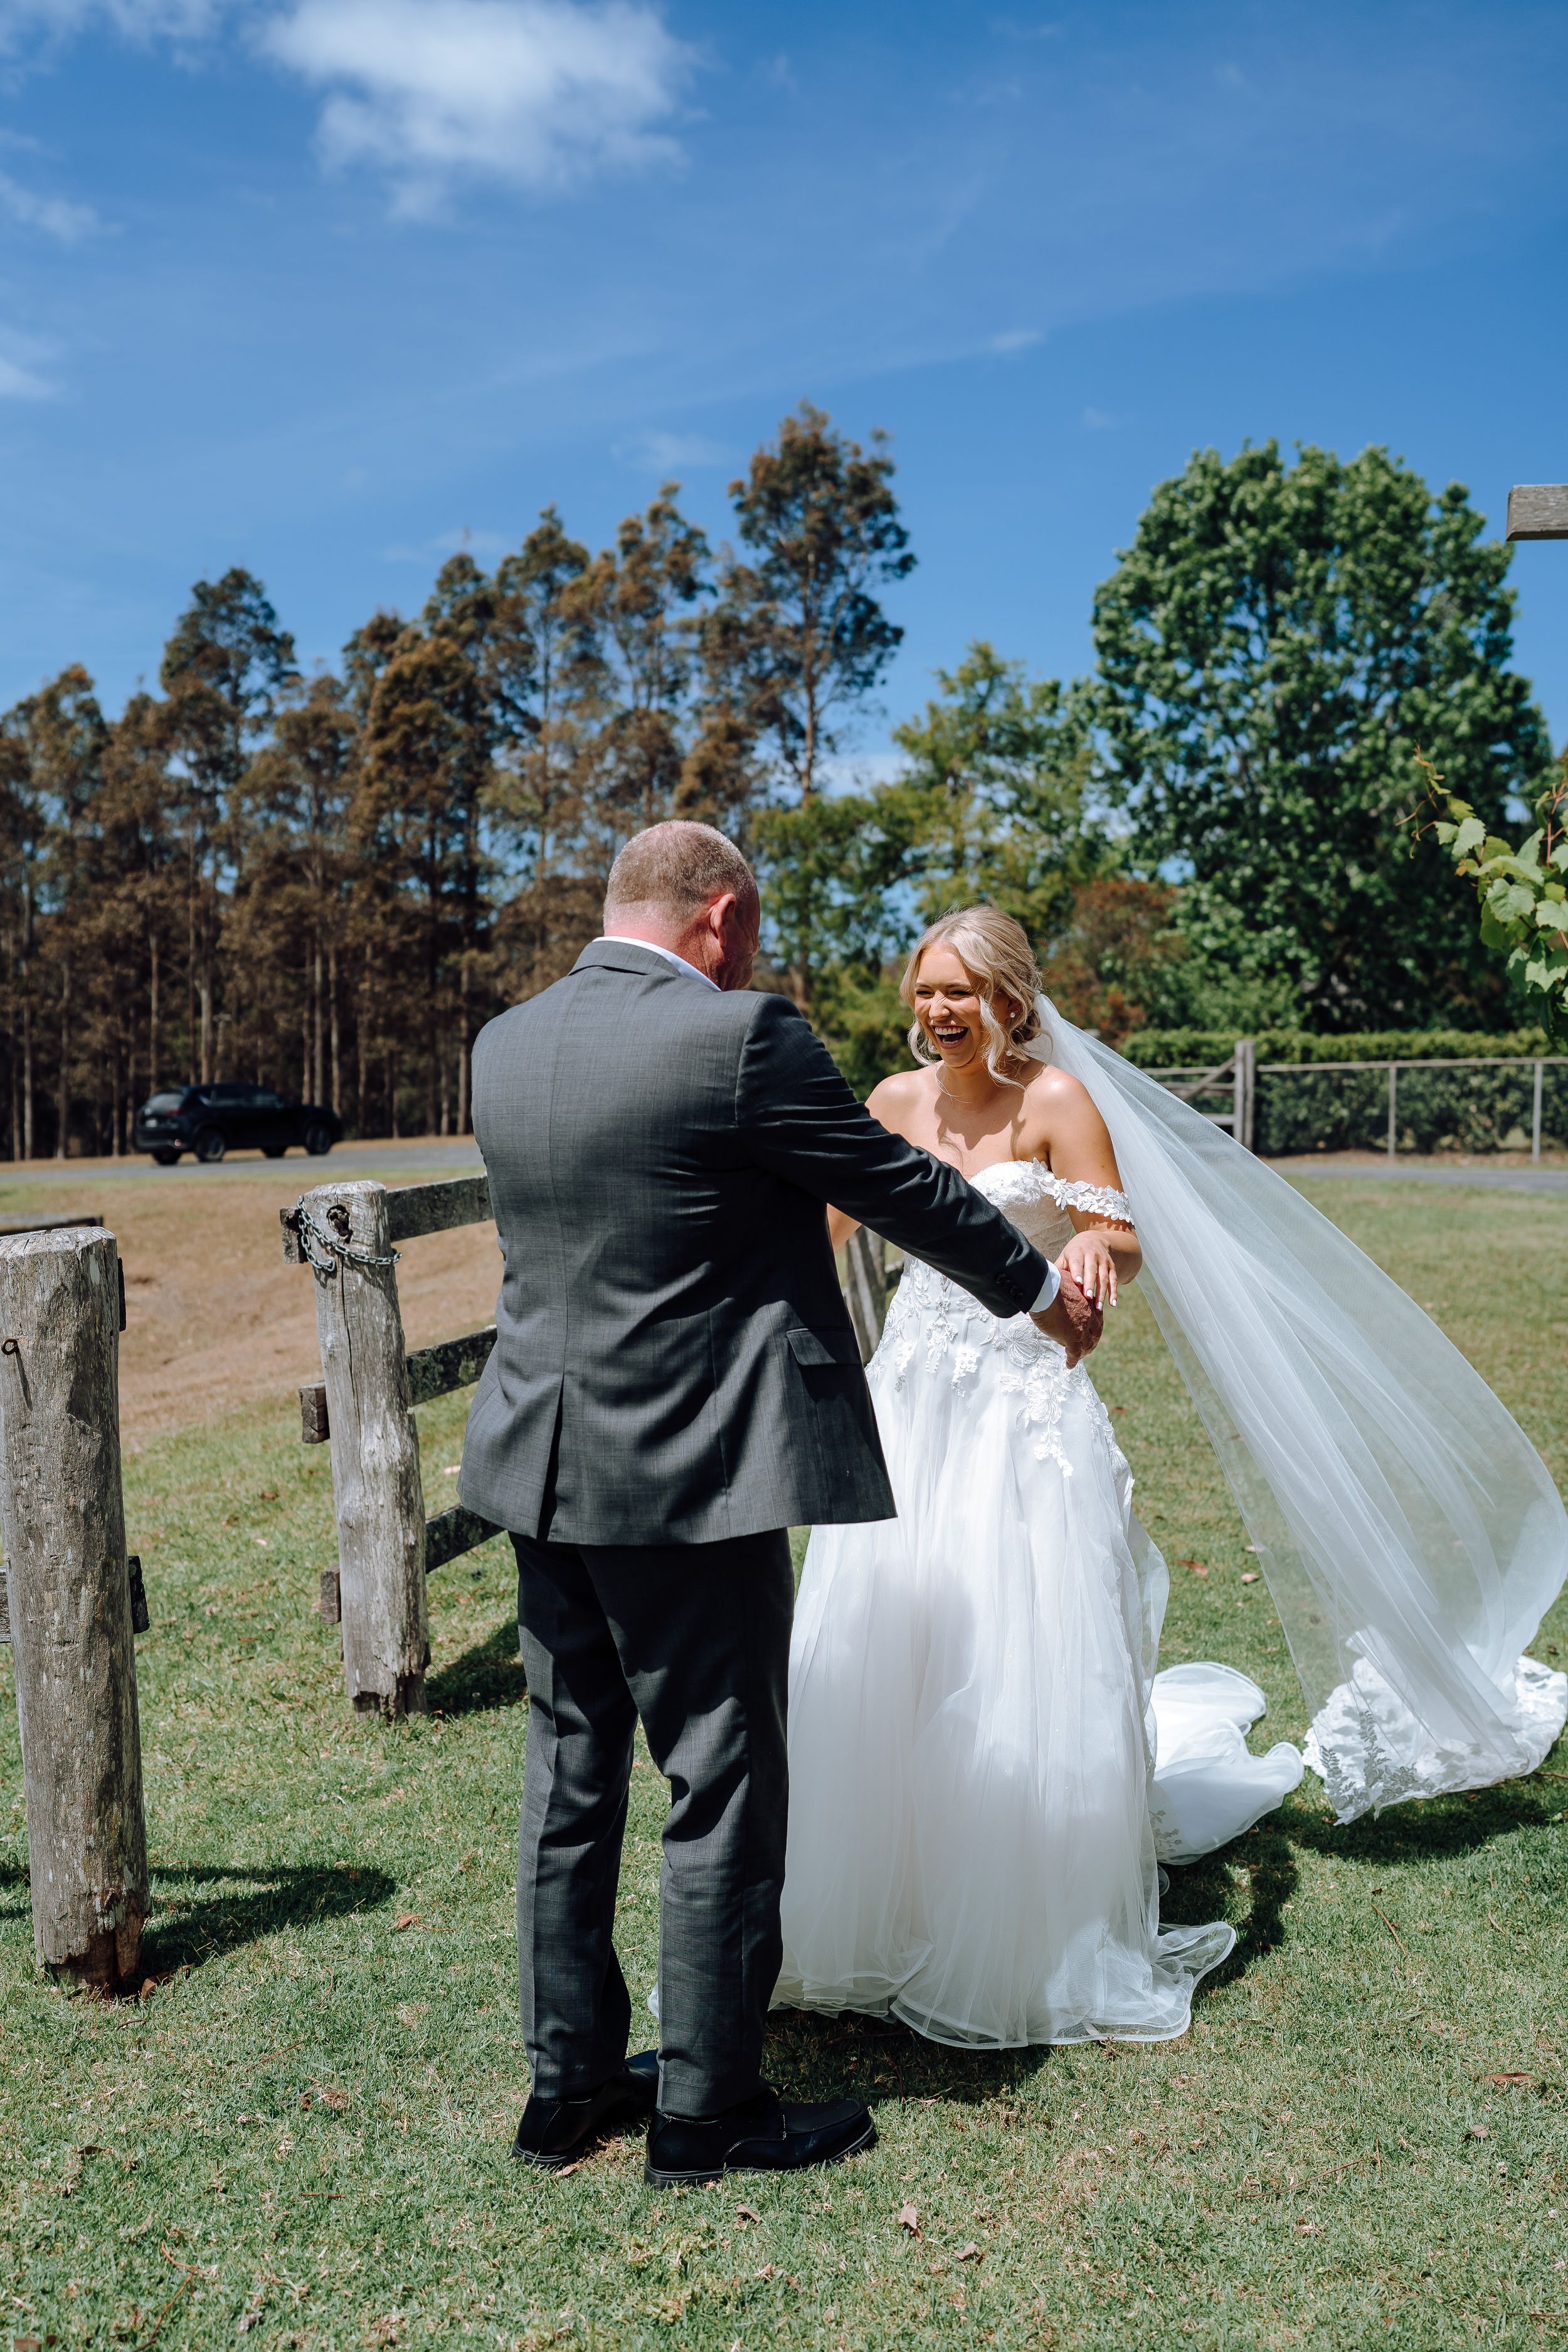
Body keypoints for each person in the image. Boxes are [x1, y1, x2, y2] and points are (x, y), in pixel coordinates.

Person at [777, 906, 1568, 2048]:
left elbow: (1126, 1234)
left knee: (1016, 1629)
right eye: (924, 992)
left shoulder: (1054, 1101)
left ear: (1007, 998)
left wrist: (1098, 1248)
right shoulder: (893, 1108)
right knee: (890, 1626)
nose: (936, 1012)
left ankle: (1017, 1901)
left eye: (958, 991)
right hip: (912, 1400)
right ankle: (881, 1890)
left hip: (1020, 1405)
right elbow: (830, 1224)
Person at [459, 828, 1101, 2182]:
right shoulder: (742, 1037)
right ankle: (706, 2107)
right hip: (692, 1469)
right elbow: (899, 1189)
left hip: (538, 1462)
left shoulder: (503, 1042)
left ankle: (564, 2087)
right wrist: (1040, 1291)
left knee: (568, 1780)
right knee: (722, 1779)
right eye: (748, 929)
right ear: (721, 915)